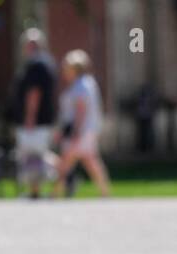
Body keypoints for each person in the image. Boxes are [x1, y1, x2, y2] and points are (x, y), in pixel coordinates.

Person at [54, 49, 111, 198]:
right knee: (90, 161)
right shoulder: (86, 83)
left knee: (66, 161)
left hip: (81, 132)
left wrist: (75, 132)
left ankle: (55, 193)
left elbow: (80, 111)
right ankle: (105, 192)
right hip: (87, 131)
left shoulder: (81, 86)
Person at [12, 28, 58, 200]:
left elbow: (34, 93)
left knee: (34, 155)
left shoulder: (36, 65)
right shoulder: (44, 63)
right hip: (41, 120)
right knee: (35, 156)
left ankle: (64, 174)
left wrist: (29, 117)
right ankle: (35, 191)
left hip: (35, 121)